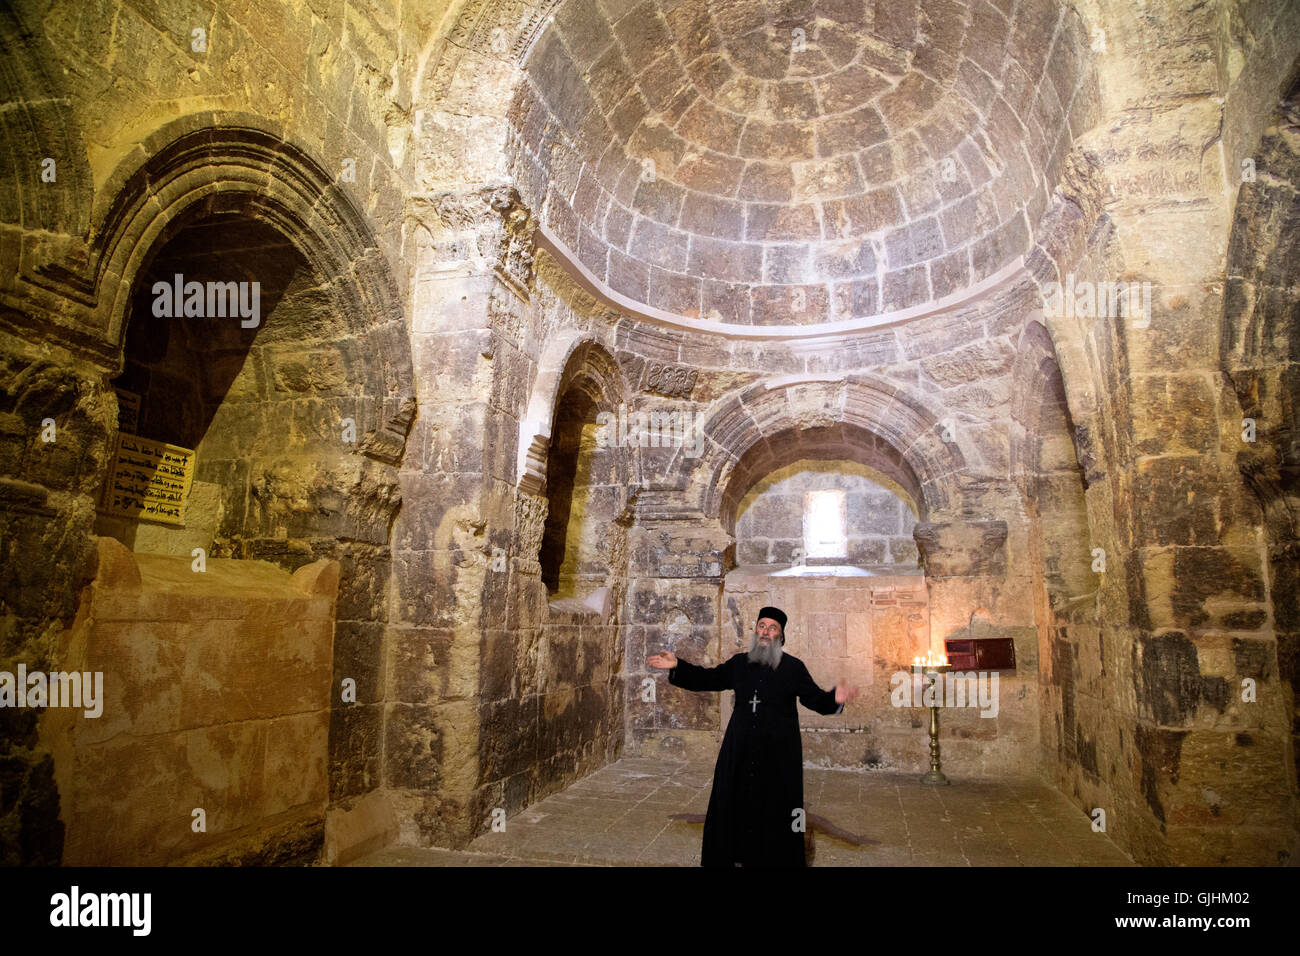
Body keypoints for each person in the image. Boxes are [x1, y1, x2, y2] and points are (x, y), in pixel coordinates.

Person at [647, 606, 859, 867]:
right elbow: (709, 678)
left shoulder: (793, 668)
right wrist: (678, 665)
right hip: (740, 748)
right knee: (734, 800)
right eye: (762, 626)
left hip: (778, 754)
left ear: (781, 636)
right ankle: (734, 856)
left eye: (772, 628)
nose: (765, 631)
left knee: (776, 807)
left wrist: (833, 699)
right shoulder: (739, 664)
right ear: (755, 630)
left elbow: (815, 699)